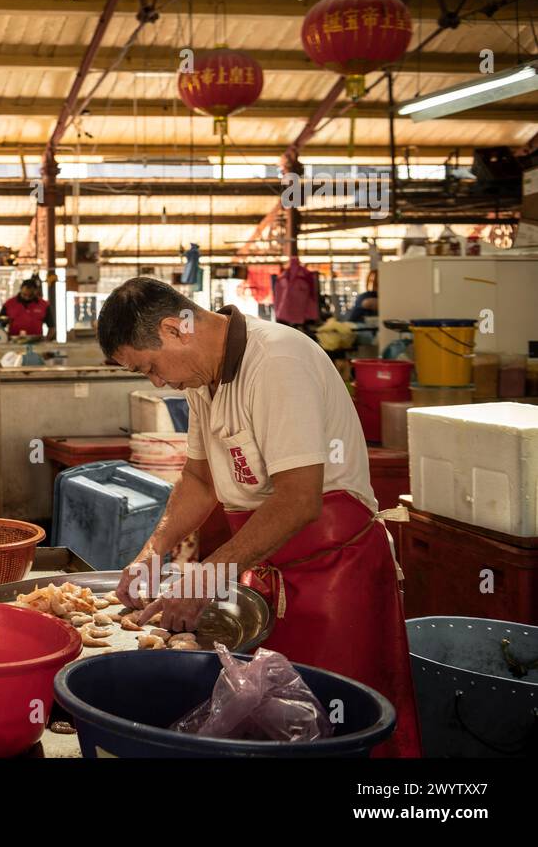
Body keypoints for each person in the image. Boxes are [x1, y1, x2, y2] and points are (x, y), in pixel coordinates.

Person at [97, 276, 421, 758]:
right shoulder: (203, 377)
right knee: (275, 725)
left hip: (336, 576)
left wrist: (208, 576)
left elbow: (298, 500)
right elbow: (200, 481)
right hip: (267, 572)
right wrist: (153, 551)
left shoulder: (277, 361)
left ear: (174, 328)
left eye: (150, 368)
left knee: (337, 723)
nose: (158, 383)